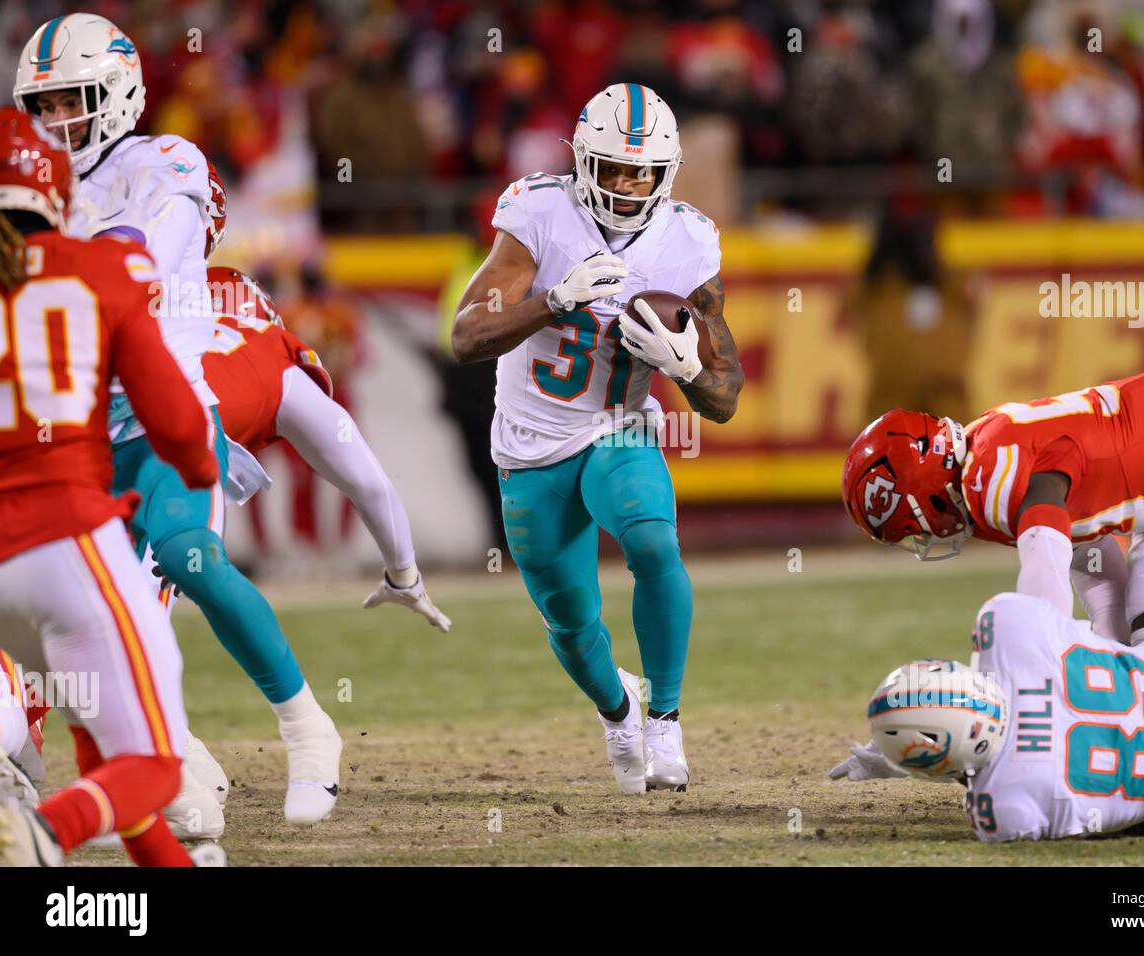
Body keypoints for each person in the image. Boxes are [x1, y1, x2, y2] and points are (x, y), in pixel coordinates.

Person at [14, 13, 341, 827]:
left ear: (118, 94)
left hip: (165, 411)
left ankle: (306, 726)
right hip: (76, 433)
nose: (57, 123)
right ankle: (165, 761)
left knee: (189, 553)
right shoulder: (35, 185)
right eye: (42, 107)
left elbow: (133, 257)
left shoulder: (164, 160)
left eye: (72, 102)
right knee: (75, 624)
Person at [452, 84, 744, 793]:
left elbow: (726, 396)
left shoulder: (688, 239)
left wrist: (685, 366)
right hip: (529, 443)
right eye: (611, 167)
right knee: (573, 622)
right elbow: (465, 336)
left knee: (651, 538)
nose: (625, 183)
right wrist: (553, 299)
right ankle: (620, 710)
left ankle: (667, 720)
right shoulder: (540, 215)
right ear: (582, 162)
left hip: (617, 427)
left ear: (664, 173)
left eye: (639, 171)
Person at [0, 108, 218, 866]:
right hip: (64, 541)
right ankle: (46, 831)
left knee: (96, 735)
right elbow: (182, 428)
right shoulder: (98, 270)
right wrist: (200, 476)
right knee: (152, 764)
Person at [841, 331, 1144, 644]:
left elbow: (1047, 553)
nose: (926, 538)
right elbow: (1082, 547)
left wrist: (1041, 655)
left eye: (915, 527)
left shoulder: (988, 475)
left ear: (929, 489)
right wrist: (1107, 638)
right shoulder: (980, 479)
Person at [829, 592, 1144, 842]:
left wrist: (901, 760)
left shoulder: (1001, 813)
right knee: (1121, 630)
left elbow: (987, 768)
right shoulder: (1007, 627)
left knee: (1101, 813)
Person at [202, 267, 450, 630]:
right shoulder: (290, 323)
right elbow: (373, 486)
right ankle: (282, 548)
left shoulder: (333, 312)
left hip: (238, 401)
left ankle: (322, 547)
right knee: (293, 477)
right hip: (277, 391)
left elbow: (355, 357)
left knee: (289, 477)